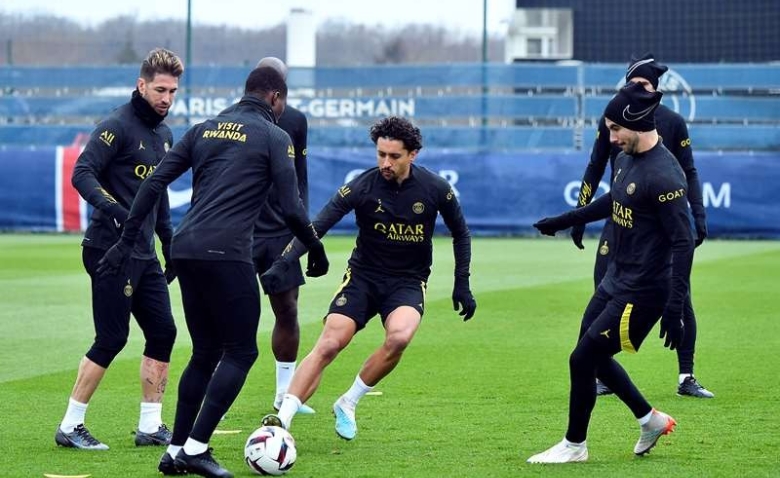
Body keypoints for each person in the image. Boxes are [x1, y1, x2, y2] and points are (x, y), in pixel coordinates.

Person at [97, 66, 329, 478]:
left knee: (205, 352)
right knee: (241, 351)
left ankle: (173, 451)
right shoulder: (274, 136)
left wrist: (126, 240)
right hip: (228, 253)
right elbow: (292, 207)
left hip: (186, 249)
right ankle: (197, 448)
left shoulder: (204, 129)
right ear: (275, 98)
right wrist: (314, 248)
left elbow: (152, 185)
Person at [259, 116, 477, 441]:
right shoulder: (362, 185)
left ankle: (348, 402)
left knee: (400, 338)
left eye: (394, 156)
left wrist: (462, 282)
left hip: (407, 281)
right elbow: (317, 225)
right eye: (380, 155)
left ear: (413, 154)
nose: (385, 163)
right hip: (362, 278)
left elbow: (461, 233)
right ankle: (283, 421)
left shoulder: (435, 189)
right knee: (331, 343)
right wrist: (284, 261)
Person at [527, 82, 693, 463]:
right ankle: (649, 419)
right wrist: (567, 219)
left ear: (636, 124)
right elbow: (615, 198)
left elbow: (684, 242)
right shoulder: (626, 158)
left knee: (582, 359)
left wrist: (675, 306)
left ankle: (574, 446)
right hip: (616, 278)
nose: (611, 138)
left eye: (615, 130)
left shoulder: (666, 177)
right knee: (590, 354)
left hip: (644, 292)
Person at [56, 47, 183, 451]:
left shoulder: (165, 135)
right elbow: (82, 173)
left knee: (163, 331)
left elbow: (158, 193)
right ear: (140, 85)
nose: (166, 98)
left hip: (143, 253)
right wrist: (116, 210)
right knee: (111, 338)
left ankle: (150, 425)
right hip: (108, 249)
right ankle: (70, 425)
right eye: (160, 89)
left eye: (173, 91)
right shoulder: (115, 126)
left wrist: (168, 240)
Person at [571, 53, 713, 399]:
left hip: (658, 228)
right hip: (620, 219)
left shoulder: (673, 123)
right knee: (604, 290)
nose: (636, 88)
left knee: (680, 295)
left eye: (643, 84)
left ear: (655, 89)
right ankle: (598, 368)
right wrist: (579, 212)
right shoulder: (613, 118)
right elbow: (594, 166)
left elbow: (689, 170)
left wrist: (698, 213)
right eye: (631, 82)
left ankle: (686, 375)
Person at [251, 57, 315, 415]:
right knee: (230, 313)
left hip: (281, 229)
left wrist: (301, 220)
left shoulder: (295, 120)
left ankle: (282, 393)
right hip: (242, 227)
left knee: (287, 310)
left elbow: (300, 173)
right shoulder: (234, 119)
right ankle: (216, 390)